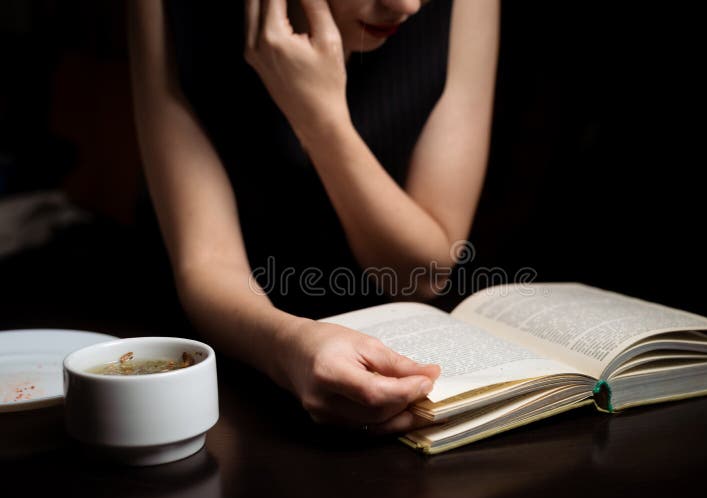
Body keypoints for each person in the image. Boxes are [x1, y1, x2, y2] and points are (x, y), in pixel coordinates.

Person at [127, 0, 499, 434]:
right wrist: (290, 346)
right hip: (221, 355)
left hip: (401, 345)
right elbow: (208, 262)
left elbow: (420, 275)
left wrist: (320, 118)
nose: (407, 5)